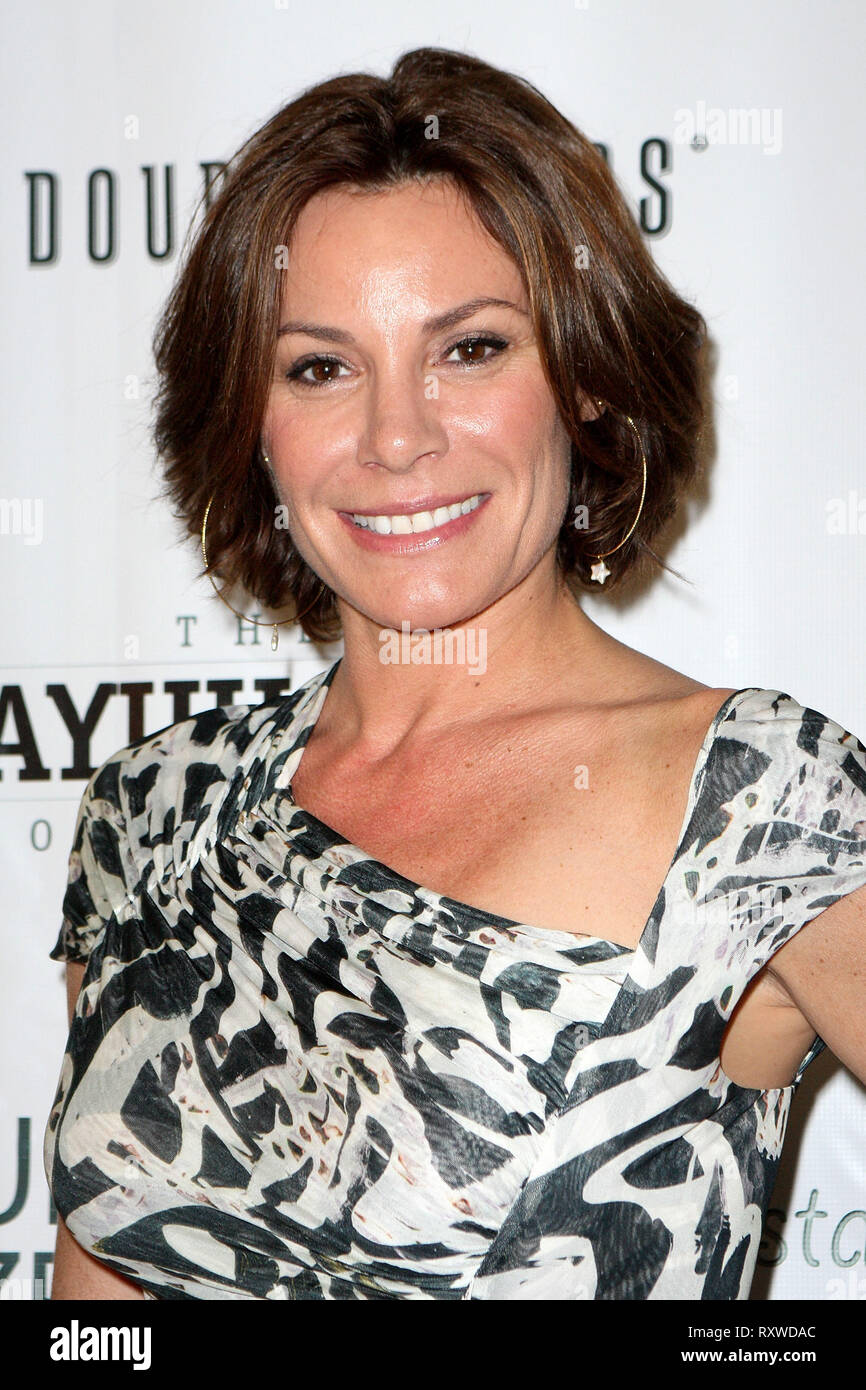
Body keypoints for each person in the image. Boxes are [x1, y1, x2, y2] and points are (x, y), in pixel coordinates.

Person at [44, 46, 866, 1302]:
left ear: (583, 380)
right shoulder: (153, 816)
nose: (395, 436)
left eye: (469, 349)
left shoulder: (759, 800)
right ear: (250, 424)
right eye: (319, 366)